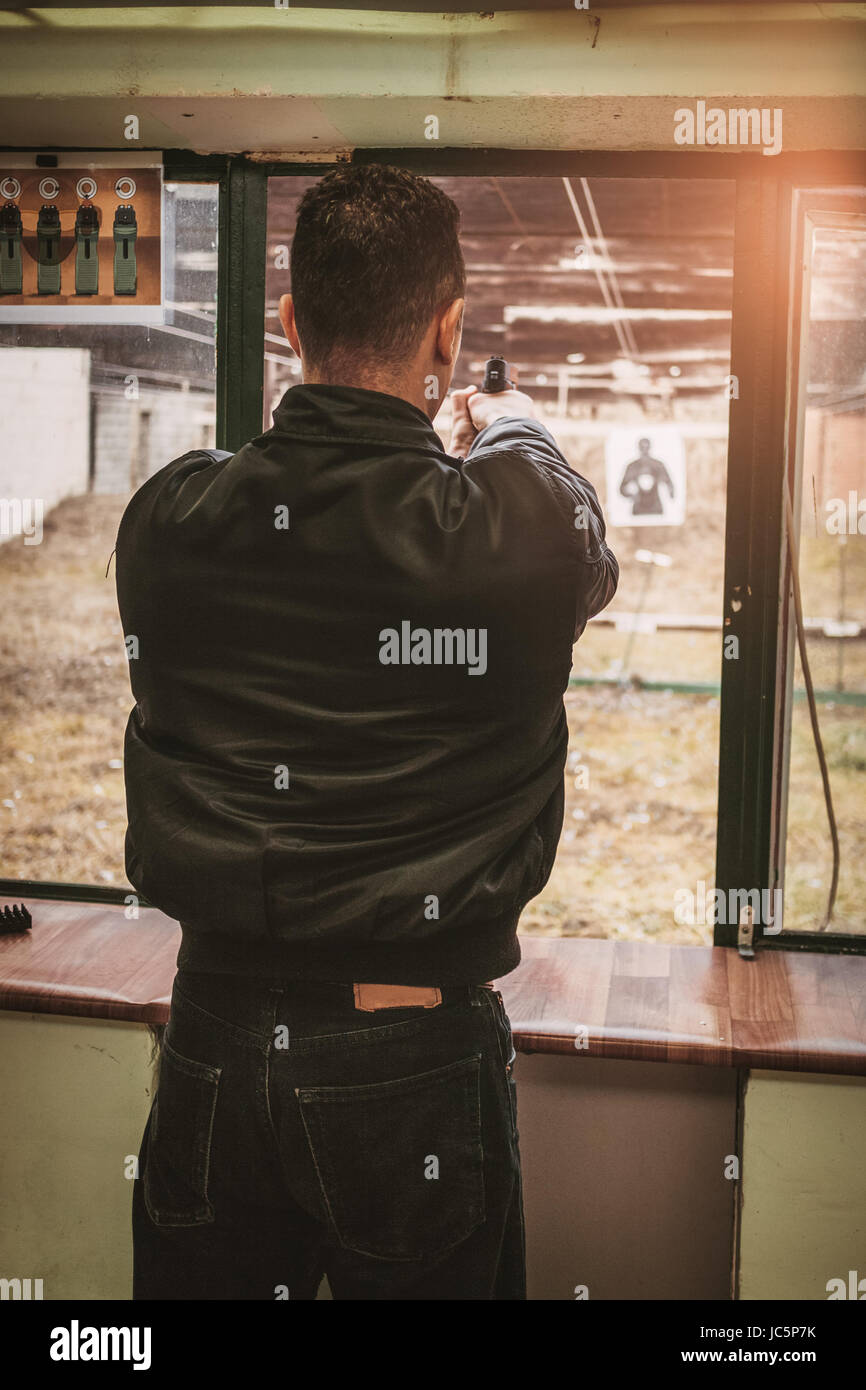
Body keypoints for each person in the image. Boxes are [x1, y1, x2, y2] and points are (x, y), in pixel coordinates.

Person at [116, 164, 618, 1301]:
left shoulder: (167, 520)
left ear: (289, 322)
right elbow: (570, 538)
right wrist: (515, 430)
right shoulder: (510, 534)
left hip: (212, 1039)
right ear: (448, 332)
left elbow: (291, 528)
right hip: (415, 1060)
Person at [619, 436, 675, 516]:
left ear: (650, 448)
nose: (644, 450)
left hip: (655, 507)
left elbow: (669, 483)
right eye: (642, 448)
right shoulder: (632, 467)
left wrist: (670, 493)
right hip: (638, 508)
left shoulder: (658, 465)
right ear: (639, 448)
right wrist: (631, 495)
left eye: (646, 447)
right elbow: (622, 488)